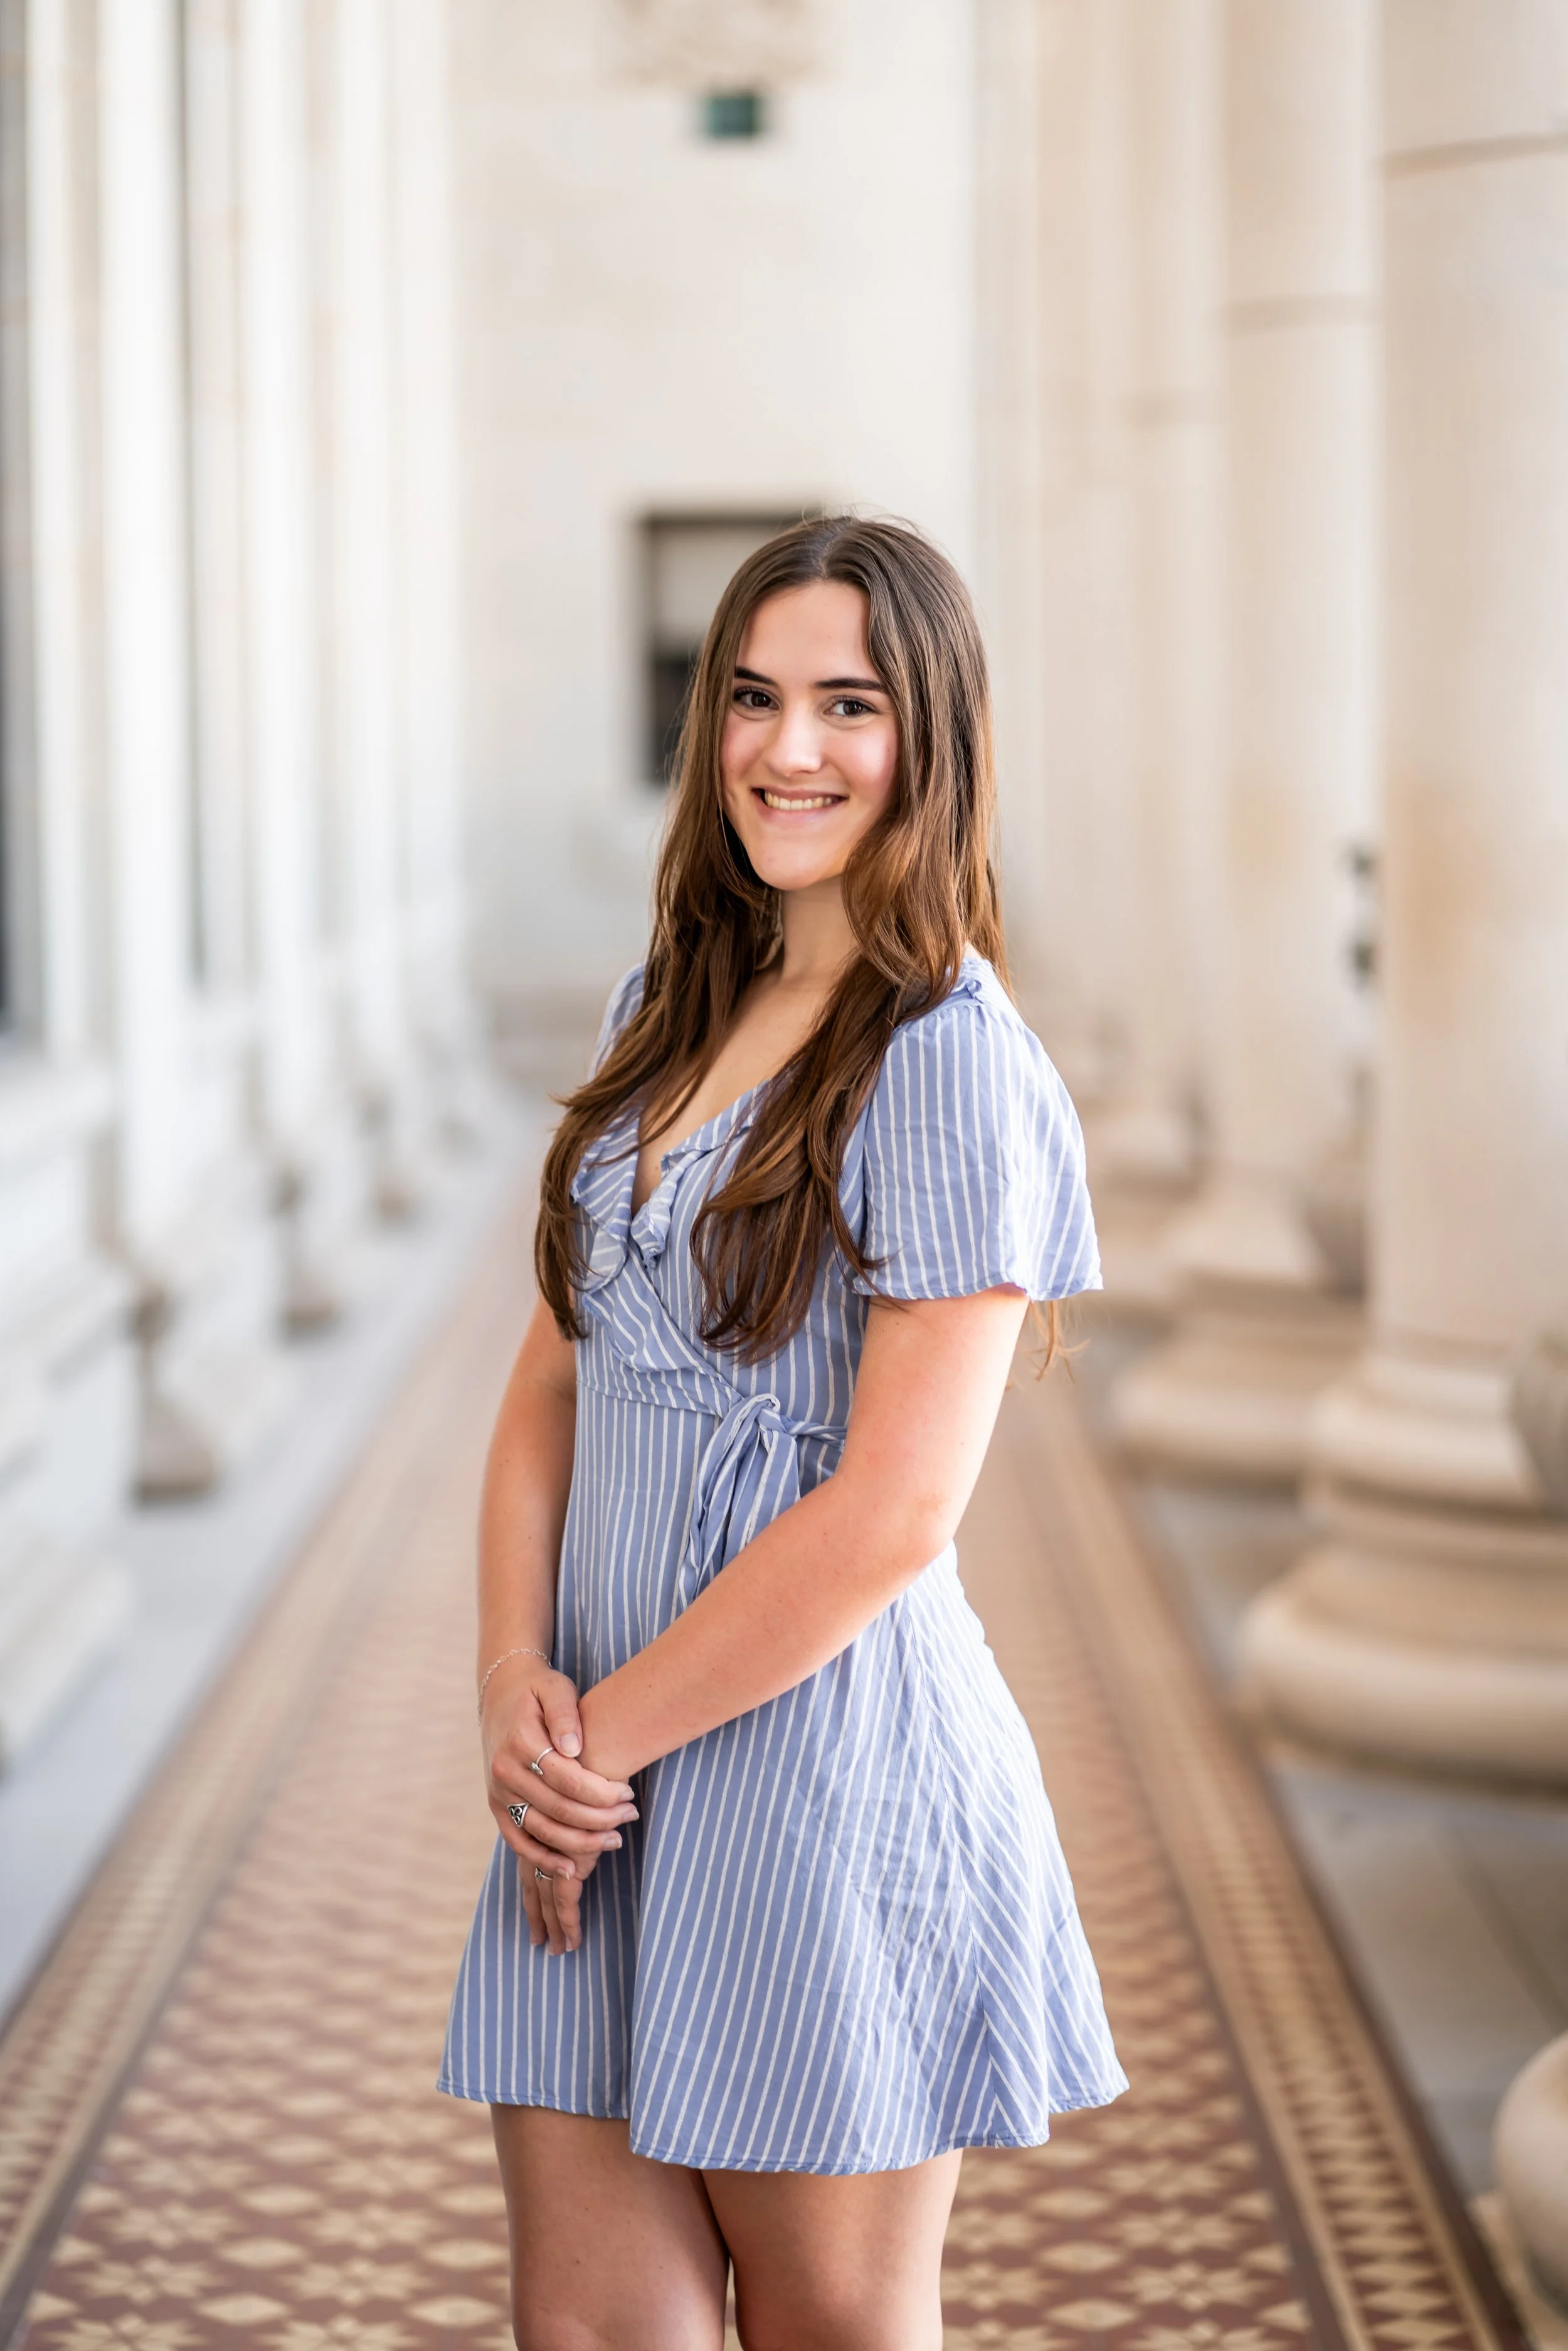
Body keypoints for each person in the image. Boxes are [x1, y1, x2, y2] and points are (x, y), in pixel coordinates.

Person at [440, 516, 1126, 2350]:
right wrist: (517, 1675)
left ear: (934, 738)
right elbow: (548, 1387)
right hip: (585, 1777)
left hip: (815, 1781)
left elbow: (895, 1511)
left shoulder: (946, 1056)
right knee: (589, 2330)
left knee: (827, 2327)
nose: (786, 747)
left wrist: (596, 1751)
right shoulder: (666, 1007)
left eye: (847, 703)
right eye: (750, 696)